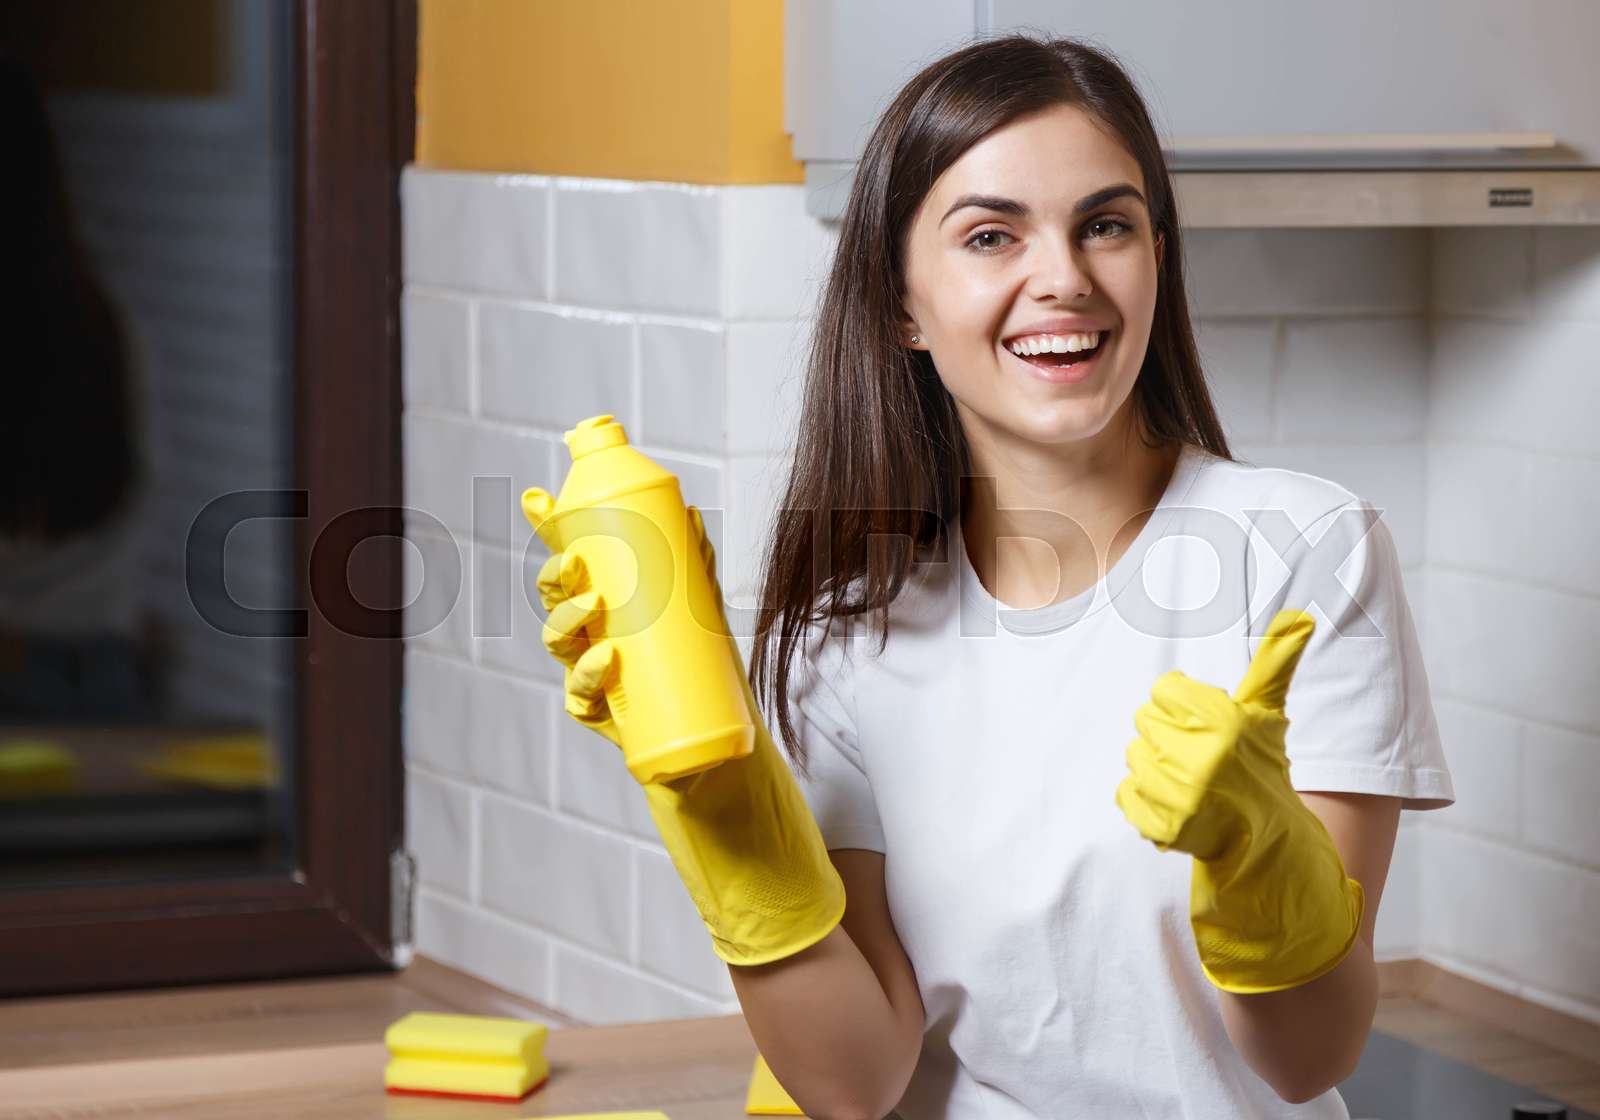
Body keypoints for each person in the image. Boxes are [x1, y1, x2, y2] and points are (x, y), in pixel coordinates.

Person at [529, 33, 1455, 1120]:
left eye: (1104, 224)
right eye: (989, 236)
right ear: (900, 306)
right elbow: (852, 1078)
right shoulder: (852, 631)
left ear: (1158, 254)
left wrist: (1261, 861)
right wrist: (722, 819)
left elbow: (1307, 1058)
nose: (1062, 278)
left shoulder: (1306, 552)